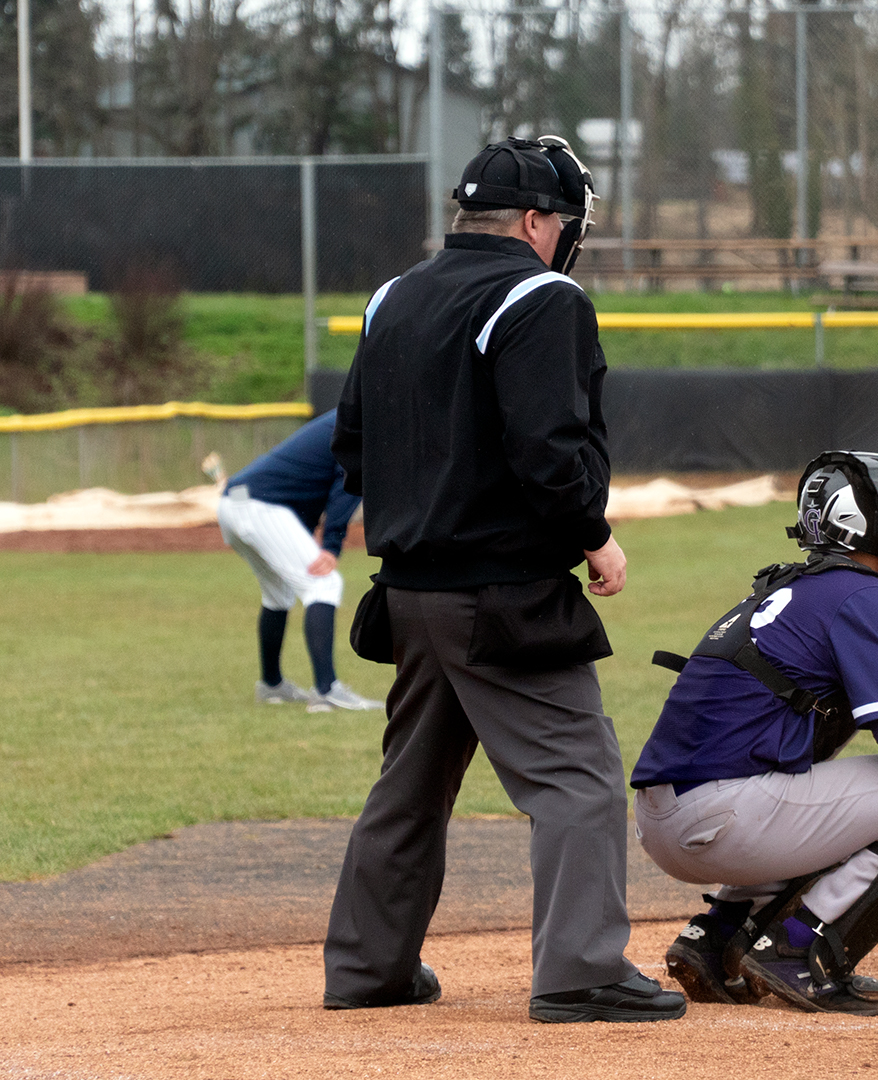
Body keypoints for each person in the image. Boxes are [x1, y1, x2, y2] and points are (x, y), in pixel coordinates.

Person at [323, 137, 685, 1024]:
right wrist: (593, 536)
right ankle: (581, 972)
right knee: (578, 780)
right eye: (560, 221)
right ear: (533, 221)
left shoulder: (393, 295)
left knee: (410, 786)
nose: (564, 237)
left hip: (408, 591)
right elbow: (549, 452)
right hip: (502, 595)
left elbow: (354, 446)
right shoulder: (542, 296)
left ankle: (368, 968)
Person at [631, 451, 878, 1016]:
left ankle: (717, 938)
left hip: (666, 818)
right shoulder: (862, 593)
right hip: (722, 816)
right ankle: (800, 949)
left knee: (835, 797)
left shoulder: (790, 588)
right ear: (869, 527)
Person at [217, 408, 381, 712]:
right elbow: (346, 483)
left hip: (234, 500)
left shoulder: (348, 415)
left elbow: (305, 486)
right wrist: (331, 545)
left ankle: (272, 685)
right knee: (324, 584)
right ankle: (326, 690)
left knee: (277, 593)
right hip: (259, 505)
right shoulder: (364, 421)